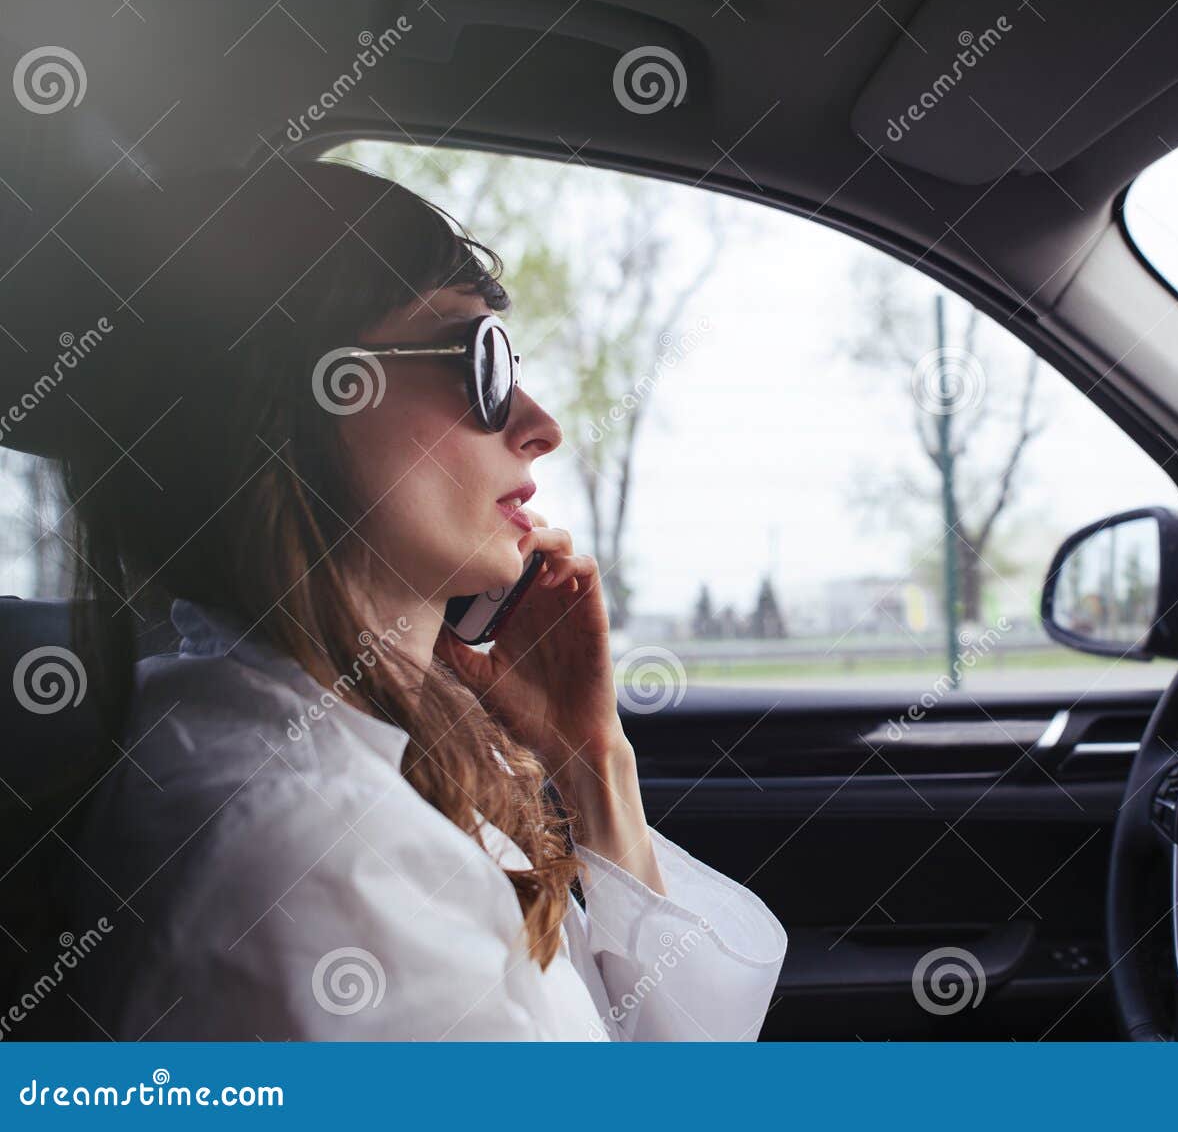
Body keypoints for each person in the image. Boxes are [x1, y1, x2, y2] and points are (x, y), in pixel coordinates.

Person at [50, 160, 785, 1039]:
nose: (540, 423)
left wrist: (593, 762)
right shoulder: (321, 860)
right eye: (481, 358)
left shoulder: (322, 754)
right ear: (296, 399)